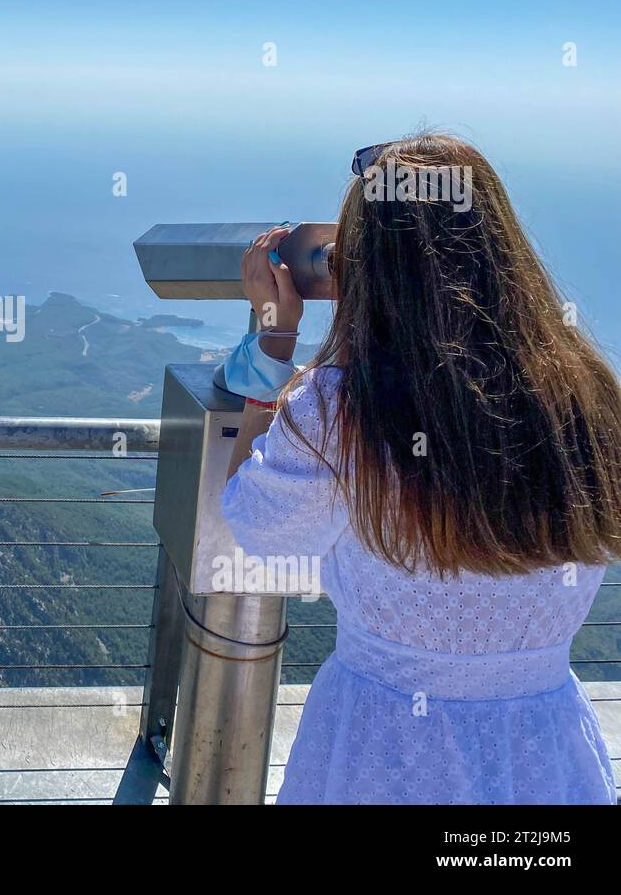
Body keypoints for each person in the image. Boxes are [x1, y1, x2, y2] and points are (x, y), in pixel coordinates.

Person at [219, 132, 620, 804]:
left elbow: (251, 524)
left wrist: (273, 339)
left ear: (366, 266)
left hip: (381, 753)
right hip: (544, 754)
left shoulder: (340, 409)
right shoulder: (590, 398)